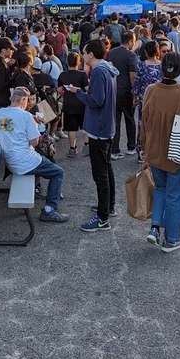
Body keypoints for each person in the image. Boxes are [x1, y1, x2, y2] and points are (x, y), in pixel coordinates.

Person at [141, 53, 180, 252]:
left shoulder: (151, 91)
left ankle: (154, 227)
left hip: (154, 149)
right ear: (179, 70)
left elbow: (144, 122)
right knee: (175, 195)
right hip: (178, 151)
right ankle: (172, 239)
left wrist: (143, 147)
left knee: (160, 189)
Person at [0, 86, 69, 223]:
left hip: (10, 160)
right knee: (58, 172)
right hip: (25, 161)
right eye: (27, 101)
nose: (28, 104)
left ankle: (35, 190)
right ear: (23, 99)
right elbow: (34, 143)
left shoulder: (0, 113)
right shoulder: (26, 116)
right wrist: (33, 124)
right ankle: (49, 210)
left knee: (41, 162)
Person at [67, 39, 119, 232]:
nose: (82, 55)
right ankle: (108, 206)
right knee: (107, 169)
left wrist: (78, 93)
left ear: (90, 54)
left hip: (98, 128)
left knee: (100, 174)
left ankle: (103, 218)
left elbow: (96, 101)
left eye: (84, 52)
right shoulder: (109, 69)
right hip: (107, 126)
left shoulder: (98, 72)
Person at [106, 32, 137, 160]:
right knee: (130, 119)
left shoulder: (111, 52)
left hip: (113, 89)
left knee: (115, 120)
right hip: (126, 91)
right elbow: (132, 76)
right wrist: (135, 94)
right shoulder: (131, 55)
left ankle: (114, 149)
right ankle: (131, 146)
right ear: (130, 42)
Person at [132, 41, 164, 159]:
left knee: (143, 124)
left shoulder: (141, 65)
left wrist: (135, 96)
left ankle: (141, 150)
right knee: (157, 124)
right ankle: (155, 151)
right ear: (158, 51)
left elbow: (137, 82)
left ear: (145, 52)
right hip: (159, 98)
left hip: (144, 98)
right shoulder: (162, 65)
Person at [58, 53, 89, 157]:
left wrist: (66, 94)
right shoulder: (82, 75)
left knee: (71, 128)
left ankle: (72, 148)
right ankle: (86, 145)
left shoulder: (62, 75)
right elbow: (87, 89)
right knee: (85, 126)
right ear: (79, 63)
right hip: (82, 104)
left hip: (68, 104)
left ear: (67, 62)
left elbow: (60, 90)